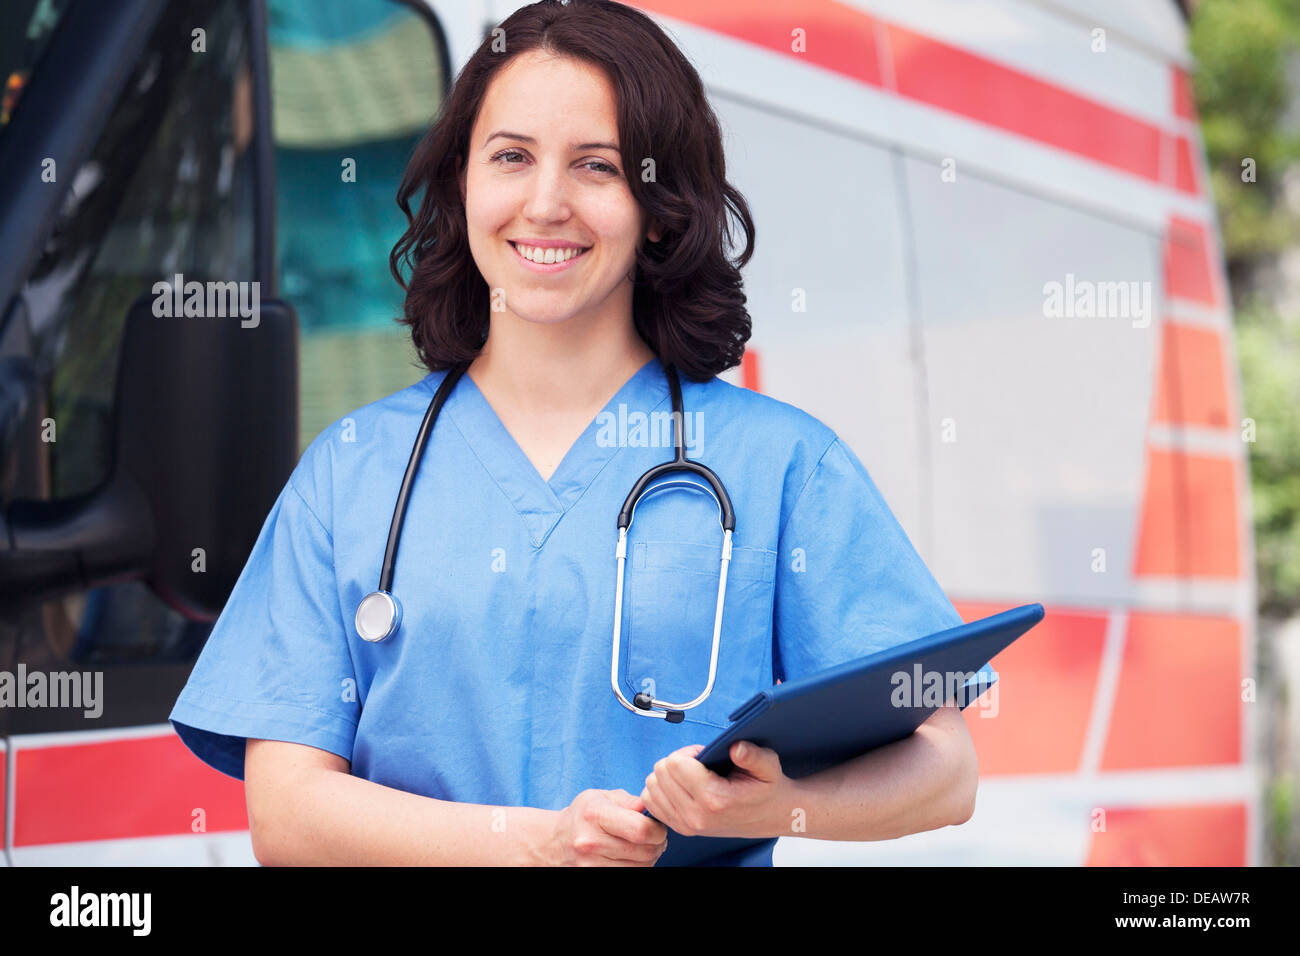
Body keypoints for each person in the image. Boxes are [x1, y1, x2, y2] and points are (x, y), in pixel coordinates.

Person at [169, 0, 980, 866]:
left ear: (660, 208)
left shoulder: (782, 466)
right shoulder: (352, 471)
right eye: (511, 157)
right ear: (462, 184)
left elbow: (947, 769)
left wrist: (773, 809)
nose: (546, 203)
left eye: (597, 166)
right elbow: (286, 816)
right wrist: (535, 845)